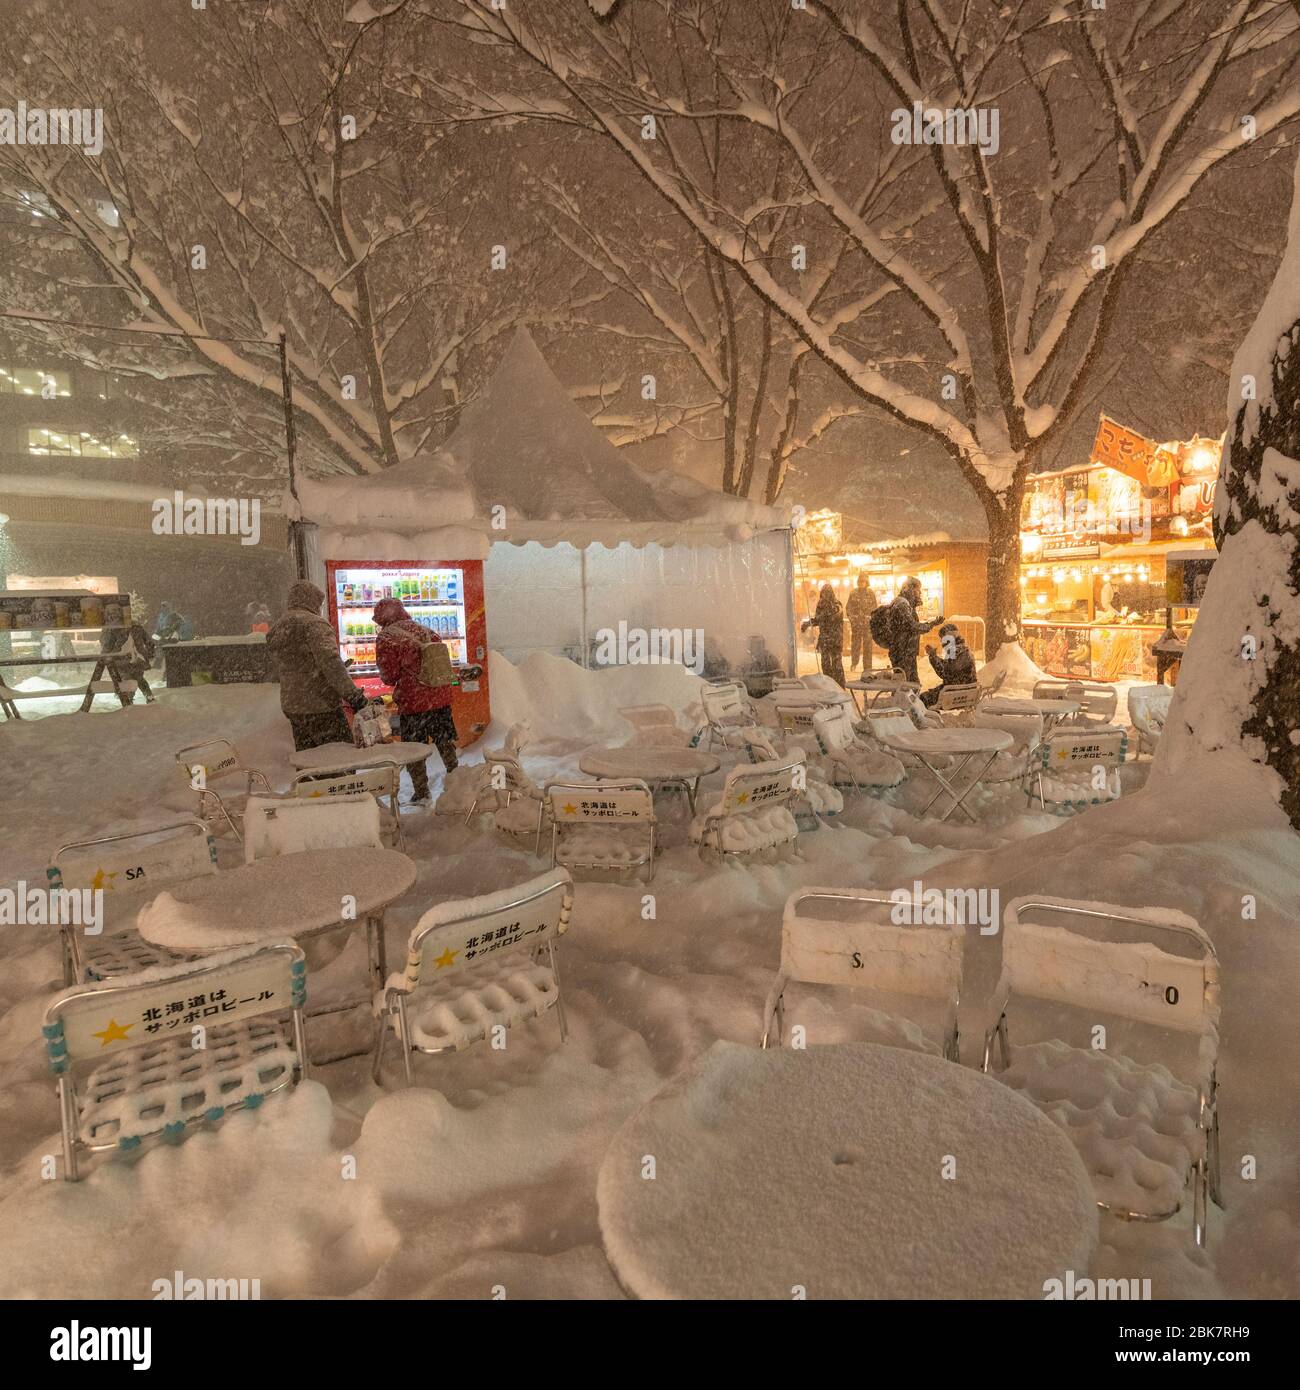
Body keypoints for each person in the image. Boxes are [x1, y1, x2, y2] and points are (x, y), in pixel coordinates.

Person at [374, 596, 459, 803]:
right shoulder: (424, 629)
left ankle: (421, 791)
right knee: (445, 742)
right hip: (439, 697)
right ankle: (458, 783)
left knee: (414, 750)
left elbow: (389, 676)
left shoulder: (387, 638)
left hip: (414, 703)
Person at [265, 579, 367, 750]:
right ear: (311, 601)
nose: (319, 608)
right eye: (319, 603)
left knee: (308, 760)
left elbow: (290, 665)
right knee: (340, 758)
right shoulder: (314, 624)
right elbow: (331, 664)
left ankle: (309, 778)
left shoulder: (278, 627)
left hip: (294, 705)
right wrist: (354, 696)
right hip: (321, 705)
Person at [885, 576, 944, 684]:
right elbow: (913, 626)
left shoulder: (905, 604)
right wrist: (931, 624)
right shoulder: (902, 604)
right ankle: (899, 701)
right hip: (902, 652)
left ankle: (901, 700)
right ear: (910, 590)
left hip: (905, 651)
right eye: (917, 590)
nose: (920, 593)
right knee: (905, 685)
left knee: (909, 684)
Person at [100, 596, 157, 706]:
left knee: (128, 680)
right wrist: (149, 653)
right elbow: (148, 641)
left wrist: (104, 657)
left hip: (121, 660)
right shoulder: (135, 625)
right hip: (138, 659)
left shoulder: (111, 628)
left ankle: (129, 702)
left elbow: (106, 645)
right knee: (139, 678)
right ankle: (149, 697)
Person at [801, 583, 847, 687]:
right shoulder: (820, 605)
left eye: (827, 594)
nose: (825, 596)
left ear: (831, 594)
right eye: (824, 594)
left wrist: (823, 614)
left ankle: (840, 686)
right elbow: (818, 619)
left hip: (835, 639)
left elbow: (831, 617)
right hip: (825, 640)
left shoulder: (837, 604)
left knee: (837, 665)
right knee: (825, 664)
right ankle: (829, 685)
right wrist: (808, 623)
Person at [920, 623, 976, 707]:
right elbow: (949, 668)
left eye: (942, 638)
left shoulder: (955, 651)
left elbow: (945, 673)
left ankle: (929, 719)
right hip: (963, 691)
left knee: (922, 700)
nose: (941, 641)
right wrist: (934, 657)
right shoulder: (962, 649)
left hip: (956, 694)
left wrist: (933, 657)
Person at [845, 573, 879, 672]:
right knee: (855, 645)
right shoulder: (853, 593)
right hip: (856, 625)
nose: (861, 583)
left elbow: (875, 608)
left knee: (868, 647)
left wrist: (871, 619)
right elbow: (849, 608)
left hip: (867, 625)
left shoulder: (871, 593)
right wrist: (853, 619)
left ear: (866, 582)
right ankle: (854, 663)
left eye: (863, 581)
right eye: (860, 581)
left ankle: (867, 667)